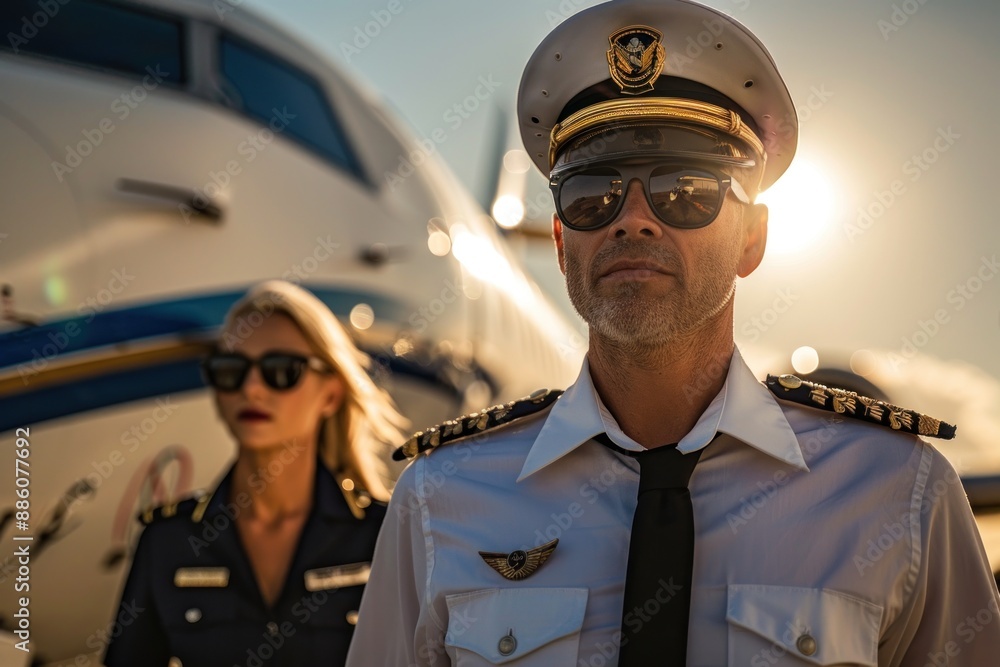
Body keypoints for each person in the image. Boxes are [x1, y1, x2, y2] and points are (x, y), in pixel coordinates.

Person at [347, 1, 1000, 665]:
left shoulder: (898, 491)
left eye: (685, 190)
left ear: (753, 237)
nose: (632, 220)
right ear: (562, 243)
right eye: (590, 194)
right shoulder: (437, 500)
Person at [103, 280, 407, 666]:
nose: (251, 388)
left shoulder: (385, 537)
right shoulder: (168, 541)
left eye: (281, 370)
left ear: (330, 394)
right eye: (231, 369)